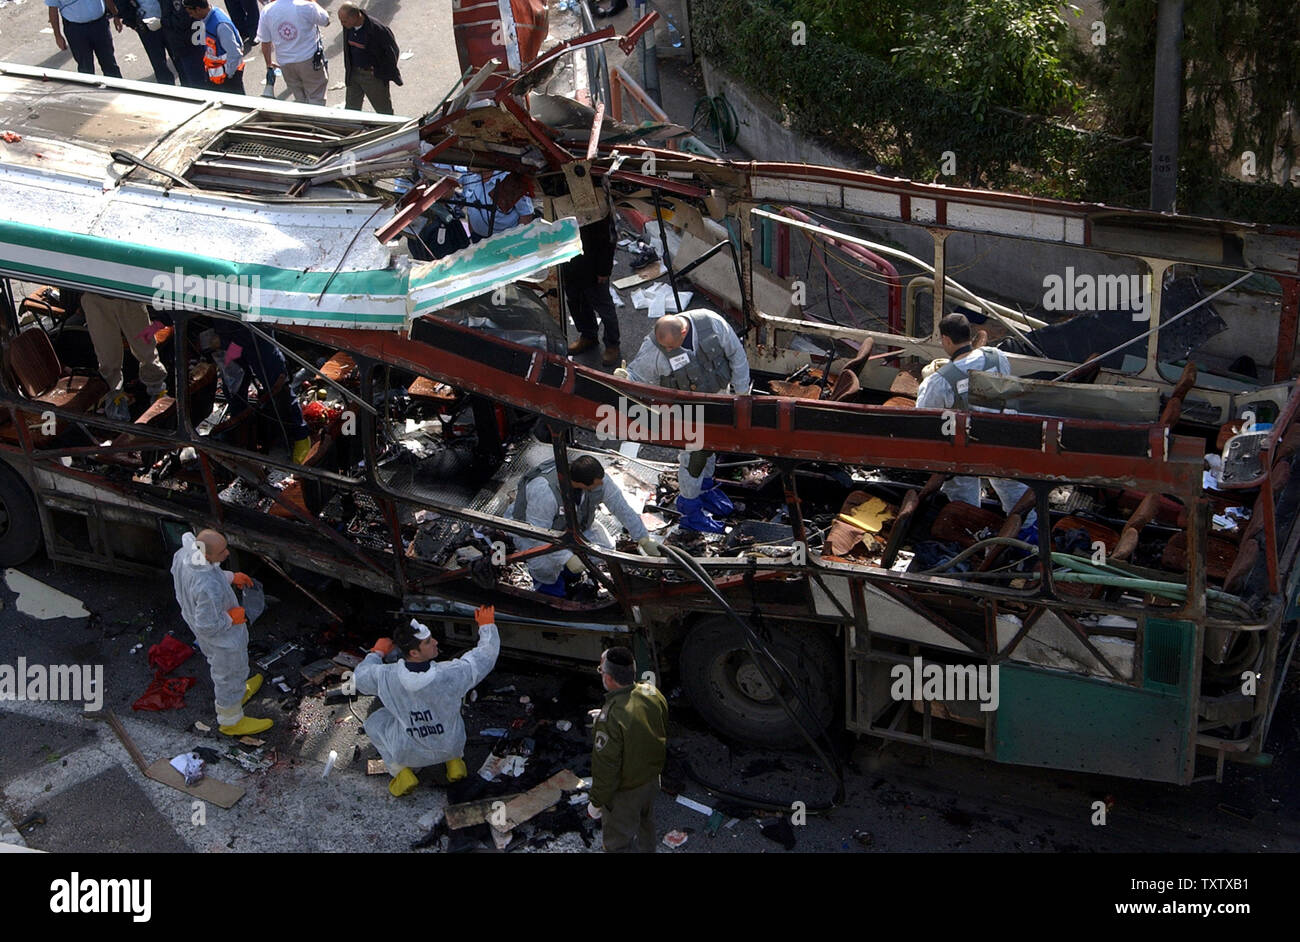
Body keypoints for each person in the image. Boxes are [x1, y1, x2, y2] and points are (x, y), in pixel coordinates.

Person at [623, 311, 751, 533]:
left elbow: (736, 356)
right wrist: (624, 379)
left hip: (719, 397)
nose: (668, 351)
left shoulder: (712, 324)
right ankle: (690, 510)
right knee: (694, 457)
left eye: (672, 347)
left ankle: (705, 489)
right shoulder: (654, 348)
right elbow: (637, 376)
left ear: (684, 331)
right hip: (687, 412)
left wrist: (741, 399)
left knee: (713, 447)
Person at [355, 605, 500, 797]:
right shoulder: (450, 674)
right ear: (414, 653)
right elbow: (485, 657)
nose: (435, 642)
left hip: (409, 752)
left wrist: (376, 653)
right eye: (429, 642)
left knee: (374, 722)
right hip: (450, 744)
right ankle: (455, 763)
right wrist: (487, 626)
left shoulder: (385, 676)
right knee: (453, 718)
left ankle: (401, 772)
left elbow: (360, 678)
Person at [914, 312, 1031, 515]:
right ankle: (1026, 534)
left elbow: (922, 420)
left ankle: (972, 530)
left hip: (966, 449)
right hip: (1003, 438)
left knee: (962, 497)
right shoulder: (997, 357)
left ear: (946, 339)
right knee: (1014, 492)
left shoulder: (938, 382)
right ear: (971, 334)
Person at [507, 454, 661, 598]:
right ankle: (550, 592)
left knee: (604, 548)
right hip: (533, 533)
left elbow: (621, 508)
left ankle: (568, 573)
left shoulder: (599, 480)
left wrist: (643, 538)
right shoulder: (544, 491)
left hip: (574, 526)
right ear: (581, 483)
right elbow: (538, 533)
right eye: (596, 484)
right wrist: (566, 558)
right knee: (545, 565)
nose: (601, 485)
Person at [170, 529, 271, 736]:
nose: (227, 554)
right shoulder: (207, 587)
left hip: (199, 623)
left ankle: (239, 692)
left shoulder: (186, 554)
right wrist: (230, 618)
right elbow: (207, 624)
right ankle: (231, 721)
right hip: (221, 638)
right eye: (222, 552)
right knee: (228, 674)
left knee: (231, 668)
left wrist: (231, 577)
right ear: (207, 555)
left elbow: (206, 575)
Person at [588, 646, 667, 853]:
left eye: (601, 671)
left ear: (609, 678)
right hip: (651, 780)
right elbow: (655, 724)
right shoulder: (651, 692)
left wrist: (596, 802)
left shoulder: (610, 718)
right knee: (645, 824)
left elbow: (606, 768)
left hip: (627, 792)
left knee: (617, 842)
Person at [199, 321, 311, 463]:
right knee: (233, 386)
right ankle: (242, 434)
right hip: (231, 342)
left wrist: (223, 341)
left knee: (278, 387)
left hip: (257, 338)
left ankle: (301, 435)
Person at [81, 293, 168, 421]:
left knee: (146, 349)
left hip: (127, 293)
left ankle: (157, 390)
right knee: (107, 356)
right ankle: (115, 396)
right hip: (95, 295)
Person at [564, 211, 621, 367]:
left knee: (602, 304)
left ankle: (612, 344)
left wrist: (604, 269)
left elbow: (608, 237)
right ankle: (588, 336)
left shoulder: (594, 200)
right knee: (576, 301)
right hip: (570, 261)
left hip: (593, 263)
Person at [257, 0, 330, 106]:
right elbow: (325, 21)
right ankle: (315, 121)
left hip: (285, 64)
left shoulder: (267, 11)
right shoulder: (306, 6)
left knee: (299, 98)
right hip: (309, 60)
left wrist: (269, 63)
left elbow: (265, 42)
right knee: (316, 97)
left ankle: (301, 119)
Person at [338, 3, 402, 115]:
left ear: (354, 17)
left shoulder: (377, 30)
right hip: (353, 74)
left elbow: (392, 53)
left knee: (384, 112)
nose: (342, 24)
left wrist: (380, 72)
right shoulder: (348, 26)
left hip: (372, 77)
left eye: (344, 21)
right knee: (351, 110)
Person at [47, 0, 123, 78]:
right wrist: (58, 35)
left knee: (109, 63)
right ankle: (88, 90)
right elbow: (53, 9)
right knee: (85, 69)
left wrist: (116, 15)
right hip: (76, 30)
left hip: (100, 25)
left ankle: (118, 89)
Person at [182, 0, 245, 93]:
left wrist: (228, 76)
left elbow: (235, 53)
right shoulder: (206, 19)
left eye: (191, 13)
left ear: (198, 9)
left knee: (235, 106)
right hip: (216, 76)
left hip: (228, 79)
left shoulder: (221, 25)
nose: (190, 16)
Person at [114, 0, 175, 84]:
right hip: (147, 28)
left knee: (181, 61)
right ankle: (168, 93)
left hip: (170, 23)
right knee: (159, 66)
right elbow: (122, 5)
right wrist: (134, 24)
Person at [160, 0, 206, 87]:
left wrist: (164, 22)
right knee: (189, 80)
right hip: (180, 45)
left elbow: (185, 18)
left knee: (199, 82)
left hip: (191, 43)